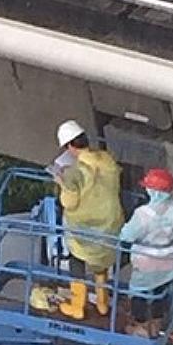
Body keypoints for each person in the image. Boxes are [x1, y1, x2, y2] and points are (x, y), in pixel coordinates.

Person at [51, 120, 123, 321]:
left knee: (77, 259)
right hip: (111, 223)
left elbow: (69, 203)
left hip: (85, 226)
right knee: (101, 261)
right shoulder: (107, 159)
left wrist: (62, 182)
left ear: (69, 147)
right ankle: (102, 304)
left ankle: (77, 305)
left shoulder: (75, 172)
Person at [117, 168, 173, 338]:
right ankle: (155, 326)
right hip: (170, 262)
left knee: (139, 293)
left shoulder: (142, 214)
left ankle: (140, 327)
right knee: (159, 292)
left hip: (146, 263)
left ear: (151, 190)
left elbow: (127, 236)